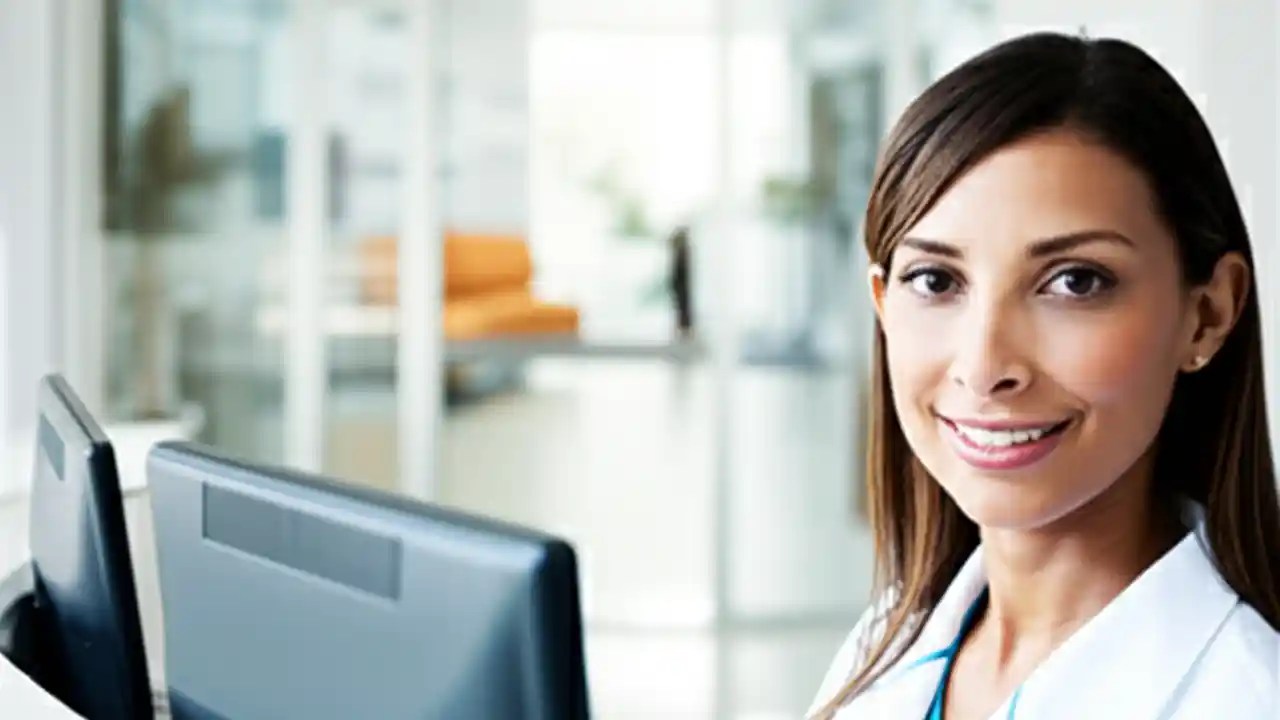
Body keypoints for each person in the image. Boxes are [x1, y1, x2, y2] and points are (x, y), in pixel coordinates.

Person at [808, 32, 1280, 719]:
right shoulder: (885, 648)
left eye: (1075, 282)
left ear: (1206, 315)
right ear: (883, 307)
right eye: (935, 279)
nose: (984, 366)